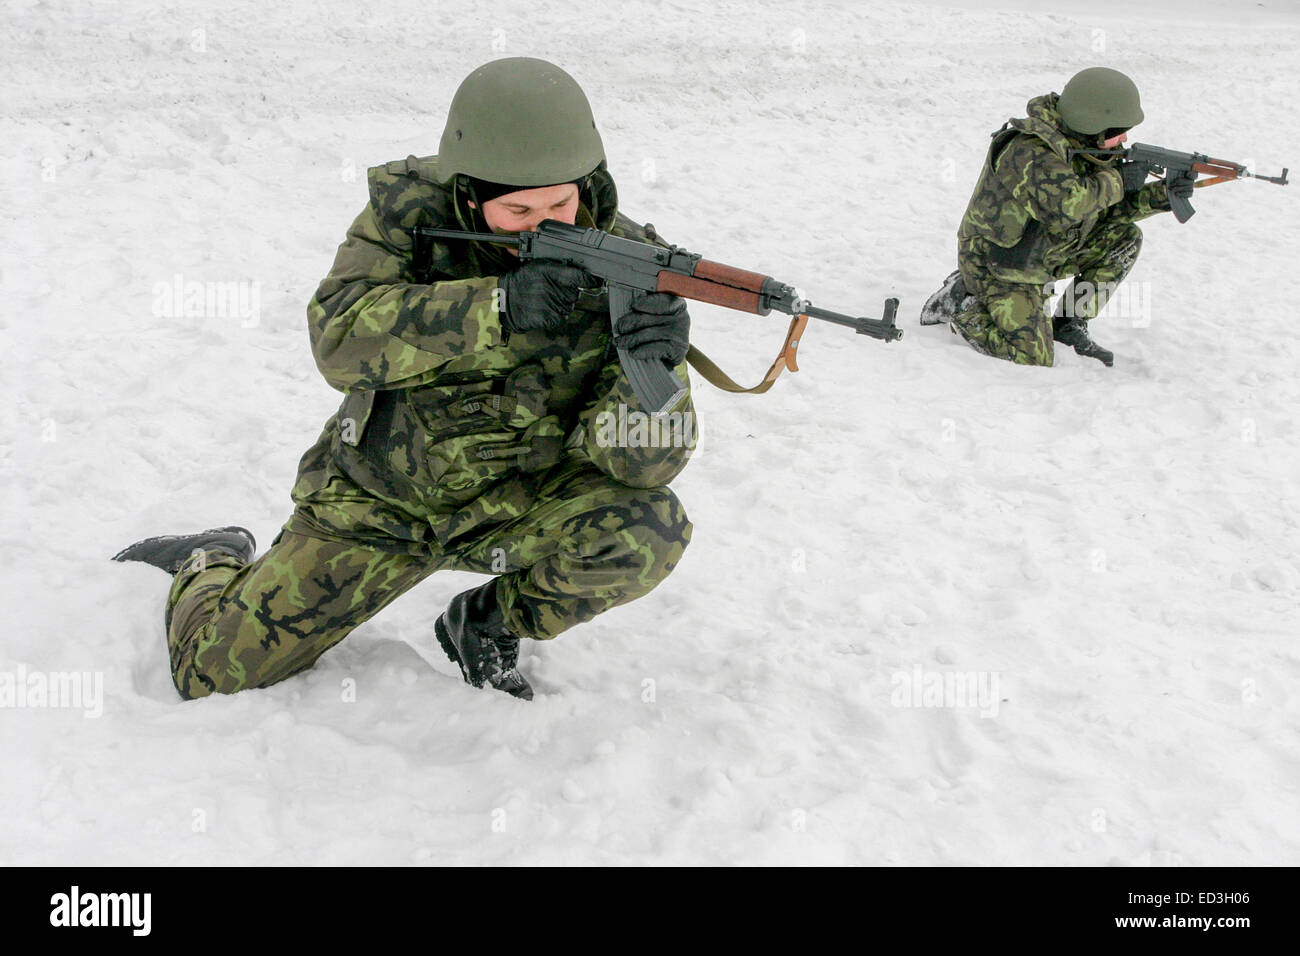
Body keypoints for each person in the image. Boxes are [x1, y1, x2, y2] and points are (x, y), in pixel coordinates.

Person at [113, 58, 695, 701]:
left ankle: (486, 622)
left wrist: (659, 373)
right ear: (470, 194)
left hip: (514, 503)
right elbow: (336, 343)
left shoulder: (627, 265)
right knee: (212, 678)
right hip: (381, 501)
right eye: (519, 209)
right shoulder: (406, 223)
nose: (548, 224)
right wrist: (493, 306)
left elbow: (640, 471)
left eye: (563, 202)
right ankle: (210, 557)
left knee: (649, 527)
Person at [920, 67, 1193, 366]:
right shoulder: (1028, 150)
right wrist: (1118, 181)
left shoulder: (1085, 147)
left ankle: (1069, 324)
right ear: (1092, 122)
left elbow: (1101, 208)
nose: (1124, 138)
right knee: (1032, 356)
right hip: (998, 262)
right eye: (1116, 132)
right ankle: (960, 303)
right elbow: (1066, 207)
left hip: (1042, 250)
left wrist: (1162, 195)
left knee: (1125, 238)